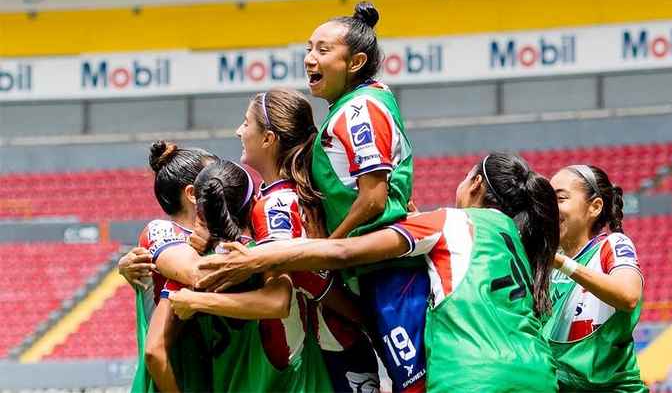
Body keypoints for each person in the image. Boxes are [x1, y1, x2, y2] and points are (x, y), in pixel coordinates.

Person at [197, 153, 560, 392]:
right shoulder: (512, 238)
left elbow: (345, 251)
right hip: (538, 374)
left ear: (477, 184)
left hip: (473, 377)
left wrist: (259, 259)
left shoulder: (450, 221)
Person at [173, 89, 378, 392]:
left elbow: (291, 290)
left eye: (246, 123)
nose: (238, 131)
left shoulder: (275, 206)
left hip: (329, 356)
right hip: (340, 349)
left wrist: (197, 300)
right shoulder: (295, 193)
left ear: (268, 138)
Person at [302, 2, 425, 390]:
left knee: (415, 380)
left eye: (323, 50)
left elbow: (373, 199)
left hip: (387, 269)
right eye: (308, 48)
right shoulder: (363, 101)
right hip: (374, 266)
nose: (309, 60)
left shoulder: (358, 111)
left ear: (355, 62)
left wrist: (326, 251)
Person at [122, 140, 217, 393]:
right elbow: (194, 273)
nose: (223, 182)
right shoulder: (162, 231)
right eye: (214, 177)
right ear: (192, 194)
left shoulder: (216, 235)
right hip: (172, 380)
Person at [544, 164, 646, 392]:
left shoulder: (613, 245)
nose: (549, 210)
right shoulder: (546, 264)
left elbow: (628, 296)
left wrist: (562, 263)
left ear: (595, 207)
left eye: (560, 199)